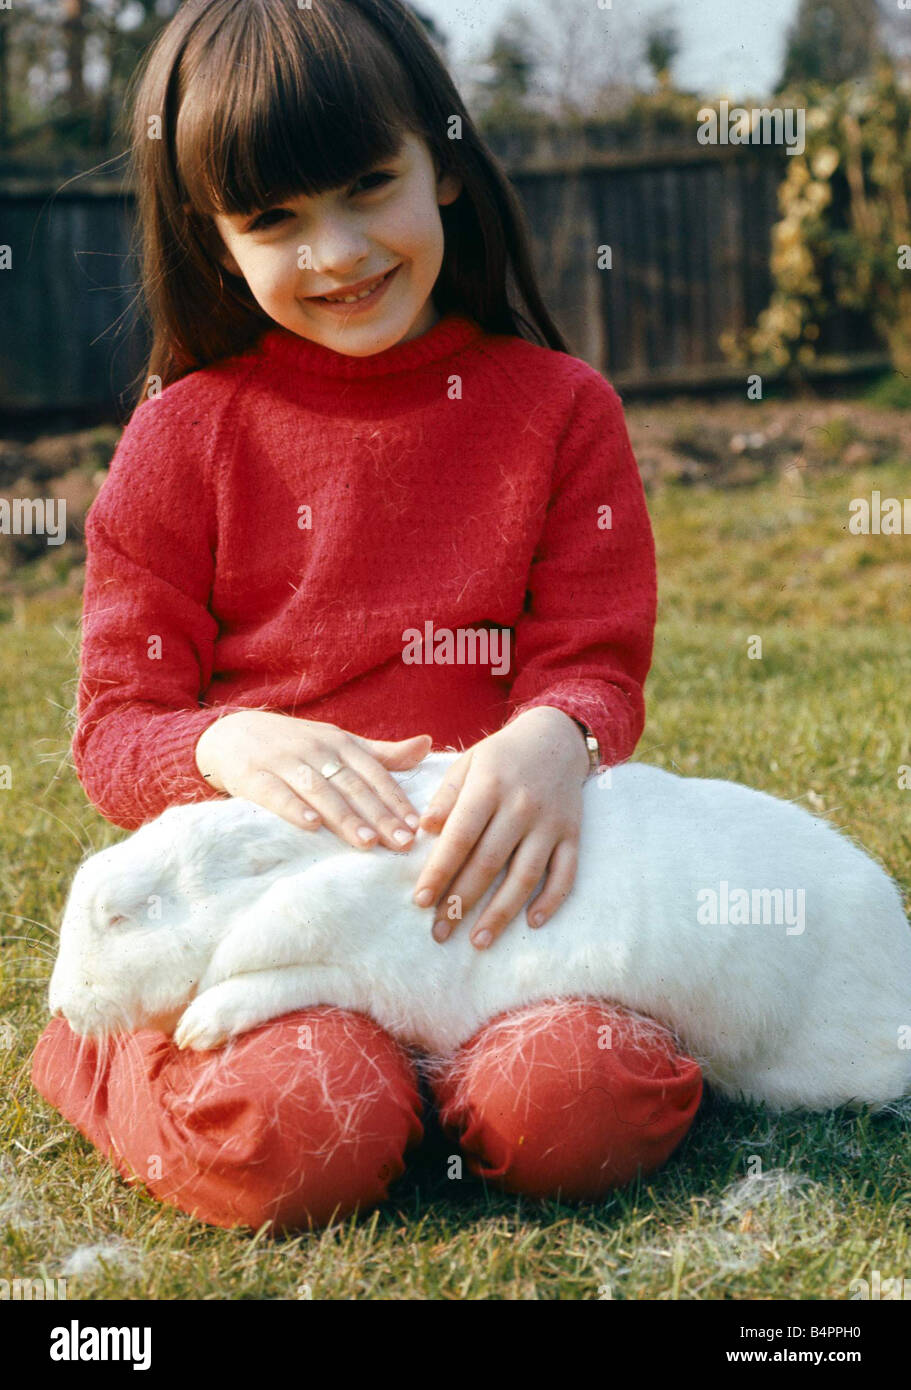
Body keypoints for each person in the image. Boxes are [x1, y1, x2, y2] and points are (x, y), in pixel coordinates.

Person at [32, 0, 702, 1232]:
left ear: (441, 162)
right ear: (213, 235)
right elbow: (116, 727)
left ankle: (445, 1079)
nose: (334, 251)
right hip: (267, 927)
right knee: (304, 1131)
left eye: (364, 186)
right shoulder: (181, 438)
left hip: (484, 914)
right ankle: (119, 1057)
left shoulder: (560, 410)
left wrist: (557, 740)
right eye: (273, 219)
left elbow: (592, 667)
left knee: (580, 1107)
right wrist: (221, 742)